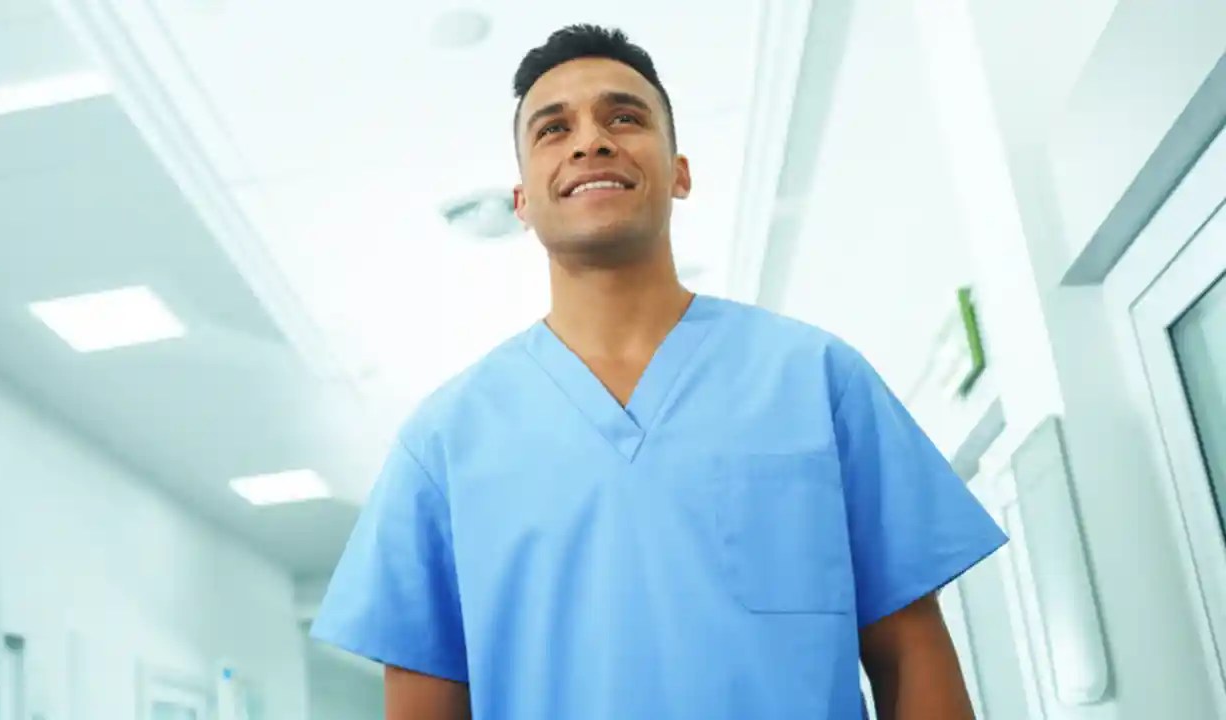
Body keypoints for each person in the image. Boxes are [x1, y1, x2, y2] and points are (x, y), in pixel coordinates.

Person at [311, 23, 1007, 720]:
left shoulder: (817, 381)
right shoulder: (444, 443)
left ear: (680, 172)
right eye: (553, 130)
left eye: (624, 117)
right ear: (523, 201)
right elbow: (423, 702)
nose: (591, 141)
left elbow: (910, 652)